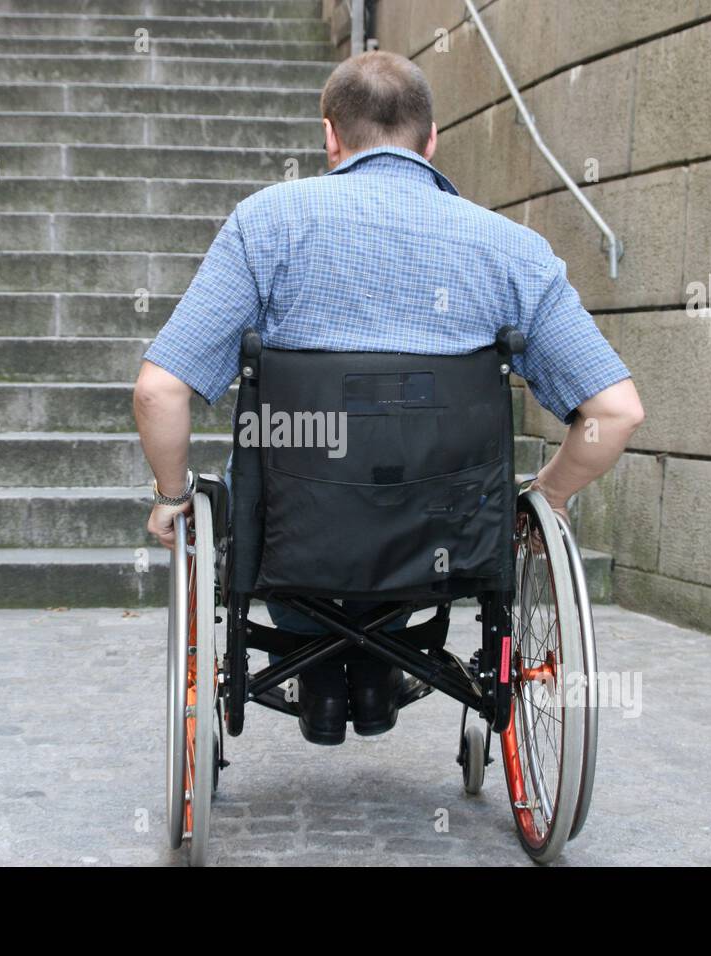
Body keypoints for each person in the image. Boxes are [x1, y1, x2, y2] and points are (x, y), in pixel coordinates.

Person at [133, 51, 643, 746]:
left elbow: (160, 389)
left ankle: (317, 667)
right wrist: (547, 497)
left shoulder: (265, 224)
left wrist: (169, 495)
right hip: (442, 535)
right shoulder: (514, 251)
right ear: (431, 141)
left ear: (330, 137)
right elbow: (615, 412)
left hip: (293, 533)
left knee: (284, 481)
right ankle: (378, 666)